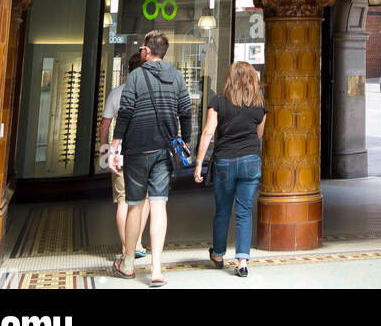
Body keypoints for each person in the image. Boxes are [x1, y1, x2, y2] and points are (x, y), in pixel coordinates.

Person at [110, 30, 191, 288]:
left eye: (142, 48)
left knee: (135, 205)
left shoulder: (136, 76)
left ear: (146, 51)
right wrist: (185, 141)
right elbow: (186, 111)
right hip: (164, 151)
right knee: (158, 205)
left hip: (136, 151)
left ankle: (129, 264)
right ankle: (156, 269)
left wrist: (115, 146)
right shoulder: (176, 76)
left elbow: (126, 111)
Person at [194, 61, 266, 278]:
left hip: (225, 160)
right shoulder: (259, 103)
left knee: (223, 210)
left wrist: (199, 163)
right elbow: (259, 134)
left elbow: (208, 131)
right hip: (251, 160)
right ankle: (242, 261)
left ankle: (217, 255)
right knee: (244, 211)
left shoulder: (219, 101)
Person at [100, 49, 151, 261]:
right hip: (145, 153)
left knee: (123, 200)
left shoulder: (117, 92)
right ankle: (137, 242)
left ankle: (125, 248)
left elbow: (105, 125)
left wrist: (105, 149)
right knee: (144, 199)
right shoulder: (149, 94)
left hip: (119, 155)